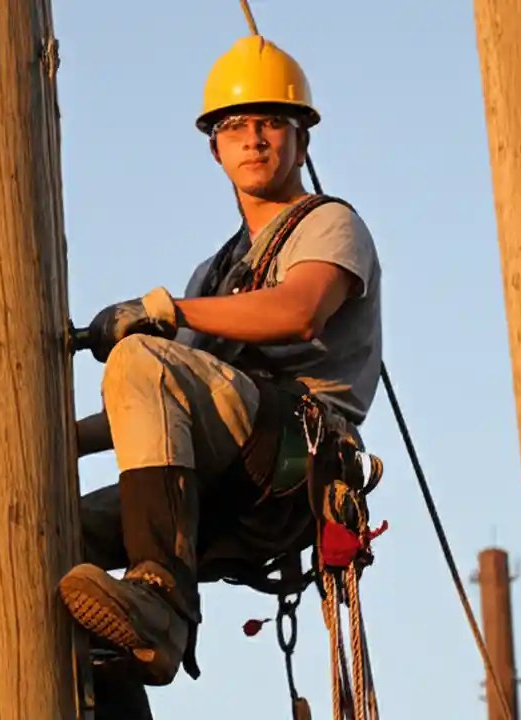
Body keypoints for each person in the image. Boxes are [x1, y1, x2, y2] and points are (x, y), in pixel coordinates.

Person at [61, 33, 383, 714]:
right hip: (223, 472)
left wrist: (166, 312)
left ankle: (161, 604)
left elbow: (300, 312)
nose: (256, 139)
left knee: (142, 356)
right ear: (215, 147)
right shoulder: (217, 269)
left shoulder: (329, 225)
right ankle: (107, 683)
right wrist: (55, 440)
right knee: (54, 533)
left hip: (295, 452)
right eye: (236, 126)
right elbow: (156, 403)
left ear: (303, 141)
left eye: (273, 123)